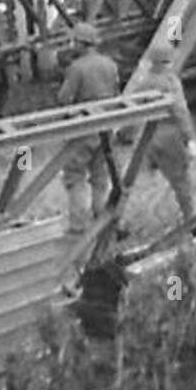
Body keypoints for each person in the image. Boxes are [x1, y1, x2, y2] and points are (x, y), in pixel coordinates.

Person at [57, 21, 121, 233]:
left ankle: (78, 225)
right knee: (100, 177)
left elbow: (64, 98)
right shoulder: (110, 64)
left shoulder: (76, 68)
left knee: (75, 176)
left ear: (79, 43)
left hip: (83, 130)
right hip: (105, 127)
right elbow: (116, 93)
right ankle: (102, 219)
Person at [126, 42, 196, 224]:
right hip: (170, 136)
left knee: (137, 181)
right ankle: (192, 218)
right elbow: (180, 111)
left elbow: (131, 108)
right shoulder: (170, 82)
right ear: (168, 62)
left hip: (147, 138)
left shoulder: (144, 82)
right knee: (181, 180)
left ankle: (126, 218)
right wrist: (190, 139)